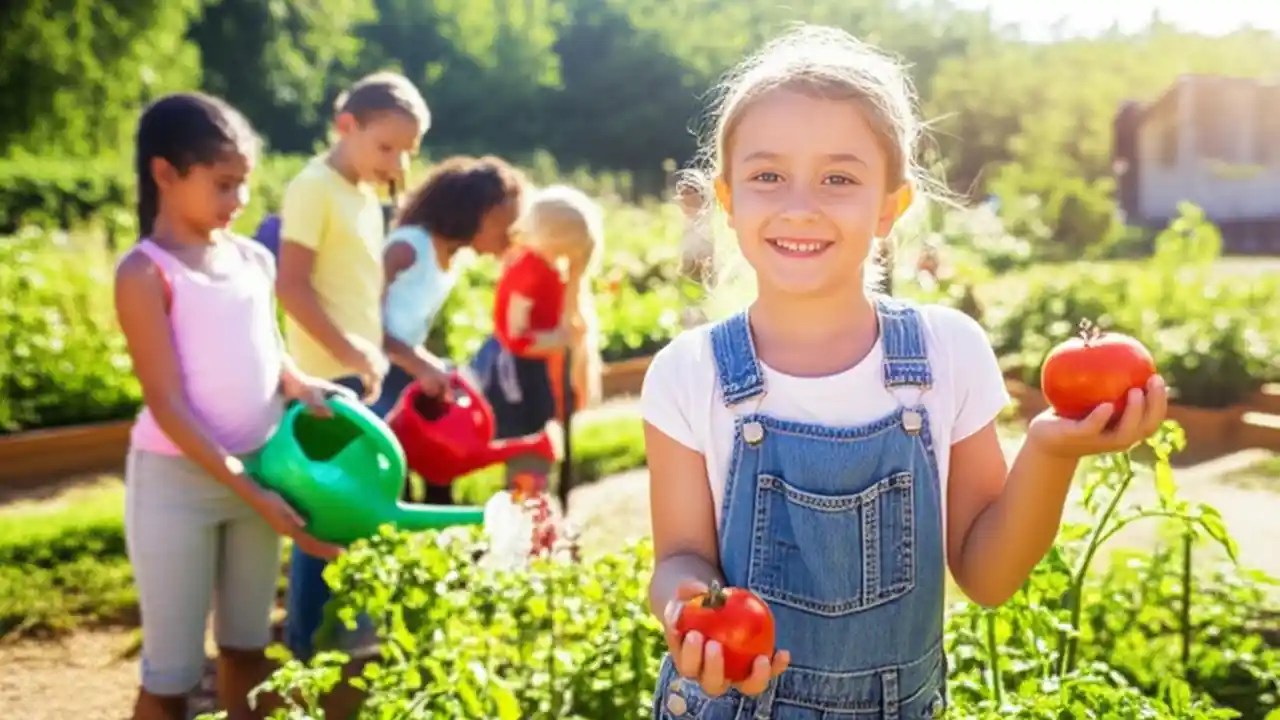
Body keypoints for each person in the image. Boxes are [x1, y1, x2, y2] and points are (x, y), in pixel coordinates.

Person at [640, 24, 1170, 718]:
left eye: (839, 177)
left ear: (891, 206)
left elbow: (987, 575)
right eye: (768, 175)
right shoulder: (689, 371)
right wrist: (687, 610)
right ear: (728, 199)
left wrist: (1050, 450)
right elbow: (680, 557)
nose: (800, 203)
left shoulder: (947, 352)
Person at [113, 92, 345, 720]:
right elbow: (165, 403)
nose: (239, 202)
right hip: (178, 486)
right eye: (223, 184)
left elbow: (272, 358)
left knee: (246, 648)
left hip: (259, 475)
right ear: (165, 173)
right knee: (172, 674)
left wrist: (302, 387)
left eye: (244, 184)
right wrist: (251, 492)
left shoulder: (252, 259)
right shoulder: (144, 272)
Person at [273, 69, 429, 698]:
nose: (395, 162)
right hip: (322, 378)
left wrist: (367, 360)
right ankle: (307, 650)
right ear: (347, 126)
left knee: (349, 516)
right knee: (326, 518)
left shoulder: (364, 195)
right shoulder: (313, 186)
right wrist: (352, 354)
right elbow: (291, 286)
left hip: (355, 376)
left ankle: (337, 644)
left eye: (406, 151)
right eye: (385, 146)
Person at [374, 154, 528, 501]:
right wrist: (418, 363)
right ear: (476, 213)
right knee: (390, 477)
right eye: (506, 224)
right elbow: (365, 323)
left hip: (403, 369)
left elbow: (408, 325)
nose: (511, 235)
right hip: (376, 377)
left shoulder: (449, 257)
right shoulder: (407, 247)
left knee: (437, 464)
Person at [471, 185, 605, 487]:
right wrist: (562, 339)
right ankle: (525, 519)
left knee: (537, 453)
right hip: (518, 379)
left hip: (530, 375)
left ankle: (532, 517)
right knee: (528, 451)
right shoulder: (529, 270)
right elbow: (517, 337)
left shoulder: (539, 266)